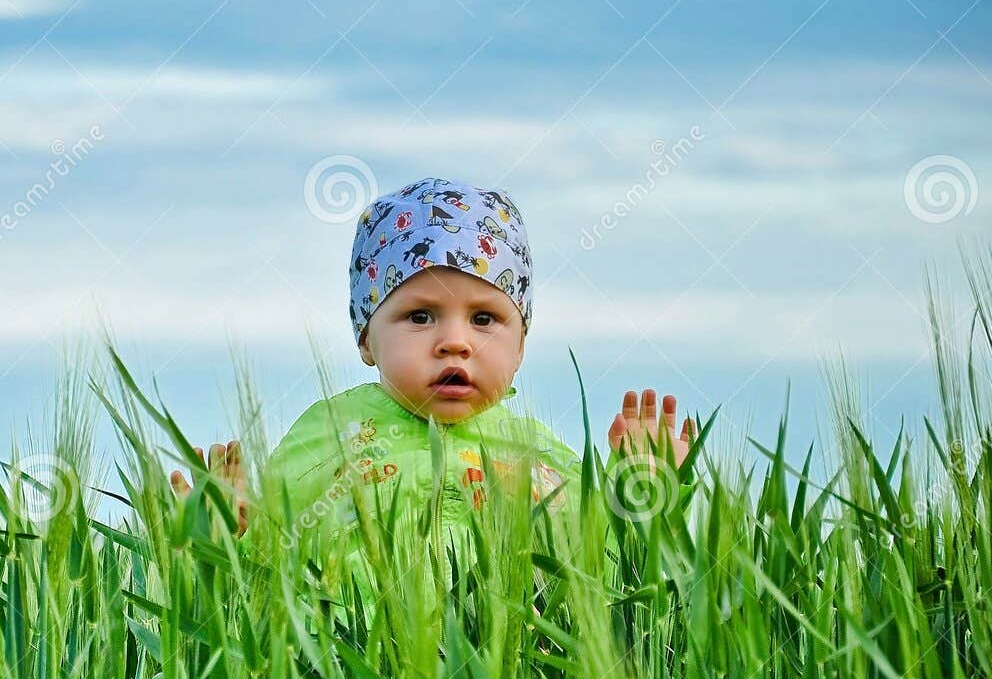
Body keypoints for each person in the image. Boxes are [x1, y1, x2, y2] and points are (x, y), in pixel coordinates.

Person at [170, 177, 696, 550]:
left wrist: (643, 492)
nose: (454, 342)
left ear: (521, 345)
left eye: (485, 320)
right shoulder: (331, 434)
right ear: (366, 338)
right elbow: (273, 563)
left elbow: (604, 569)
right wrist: (227, 535)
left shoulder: (541, 457)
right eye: (420, 316)